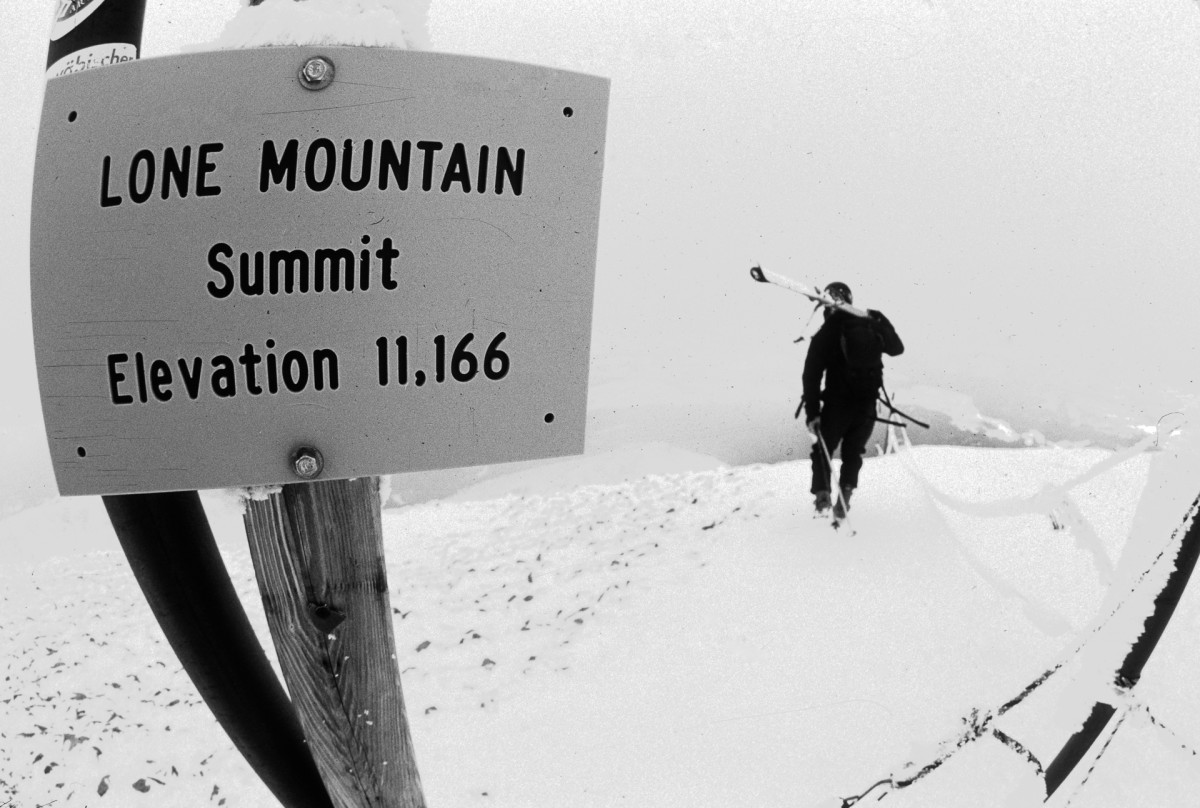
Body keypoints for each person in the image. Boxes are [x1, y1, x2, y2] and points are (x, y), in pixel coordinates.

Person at [802, 282, 903, 518]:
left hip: (837, 407)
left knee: (822, 450)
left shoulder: (826, 333)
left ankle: (823, 498)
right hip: (867, 406)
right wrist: (879, 319)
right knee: (853, 453)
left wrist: (812, 413)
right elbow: (897, 348)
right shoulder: (870, 325)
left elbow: (811, 376)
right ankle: (844, 498)